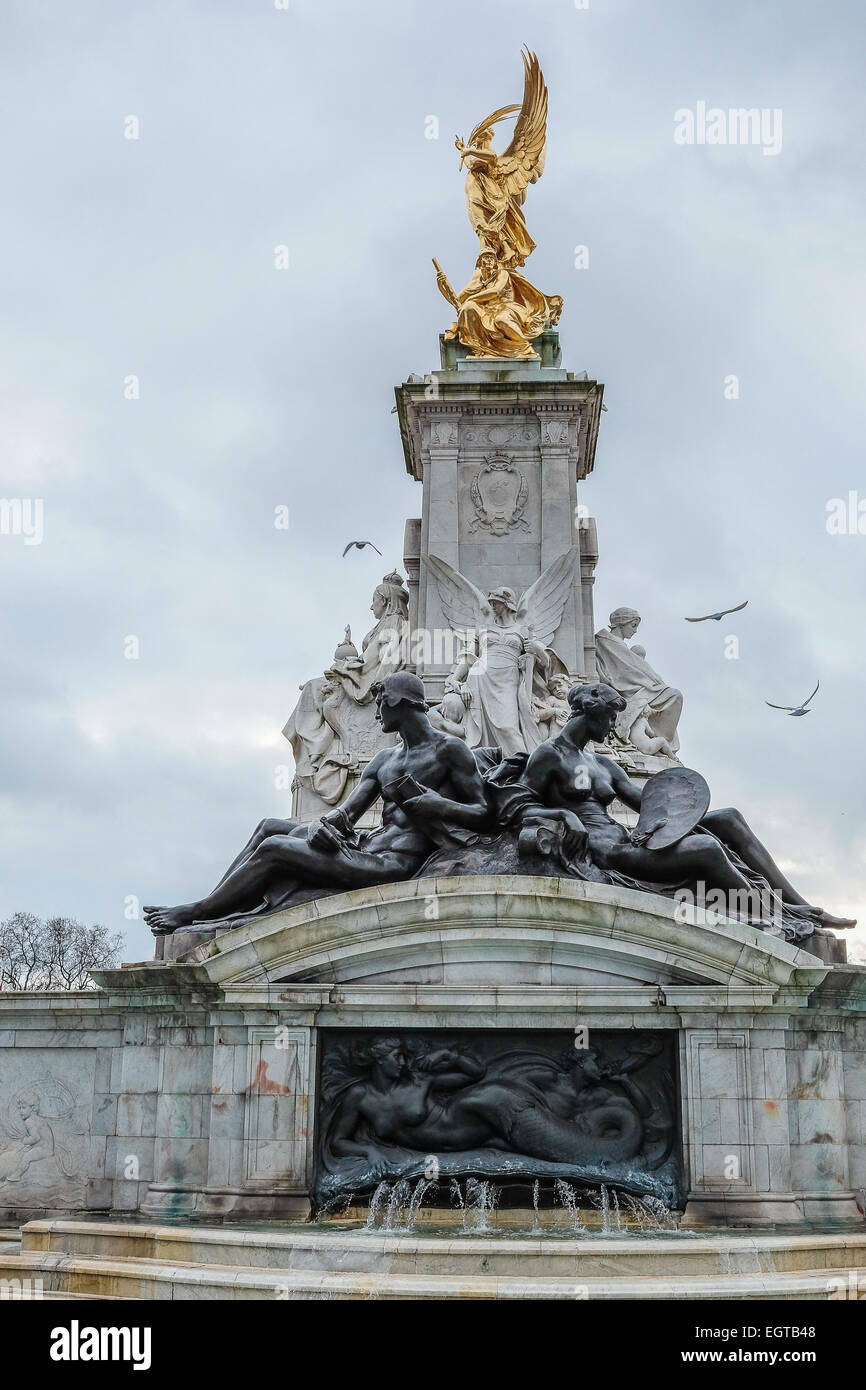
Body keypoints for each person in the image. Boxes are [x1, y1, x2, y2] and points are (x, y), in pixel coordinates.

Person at [144, 673, 490, 933]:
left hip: (394, 862)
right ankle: (214, 907)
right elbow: (346, 814)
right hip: (365, 846)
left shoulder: (450, 751)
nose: (376, 713)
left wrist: (437, 805)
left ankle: (197, 911)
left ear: (399, 701)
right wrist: (327, 828)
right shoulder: (385, 760)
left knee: (276, 847)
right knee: (269, 826)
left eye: (381, 702)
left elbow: (483, 812)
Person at [520, 682, 856, 934]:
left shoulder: (602, 763)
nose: (613, 727)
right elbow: (517, 805)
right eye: (611, 717)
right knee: (706, 847)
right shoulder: (550, 754)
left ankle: (800, 904)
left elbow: (646, 803)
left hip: (626, 838)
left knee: (729, 819)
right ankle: (781, 914)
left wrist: (666, 817)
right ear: (592, 712)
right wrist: (563, 815)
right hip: (605, 850)